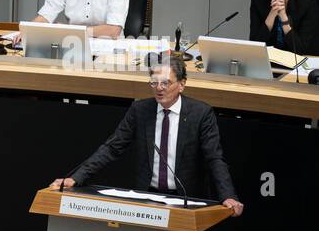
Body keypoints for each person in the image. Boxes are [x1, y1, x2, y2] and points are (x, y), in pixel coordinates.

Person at [52, 53, 244, 216]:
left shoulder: (200, 114)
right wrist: (76, 178)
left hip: (185, 198)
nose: (159, 88)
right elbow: (112, 147)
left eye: (166, 83)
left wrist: (228, 195)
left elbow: (214, 158)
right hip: (147, 196)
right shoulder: (140, 110)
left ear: (182, 84)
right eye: (154, 82)